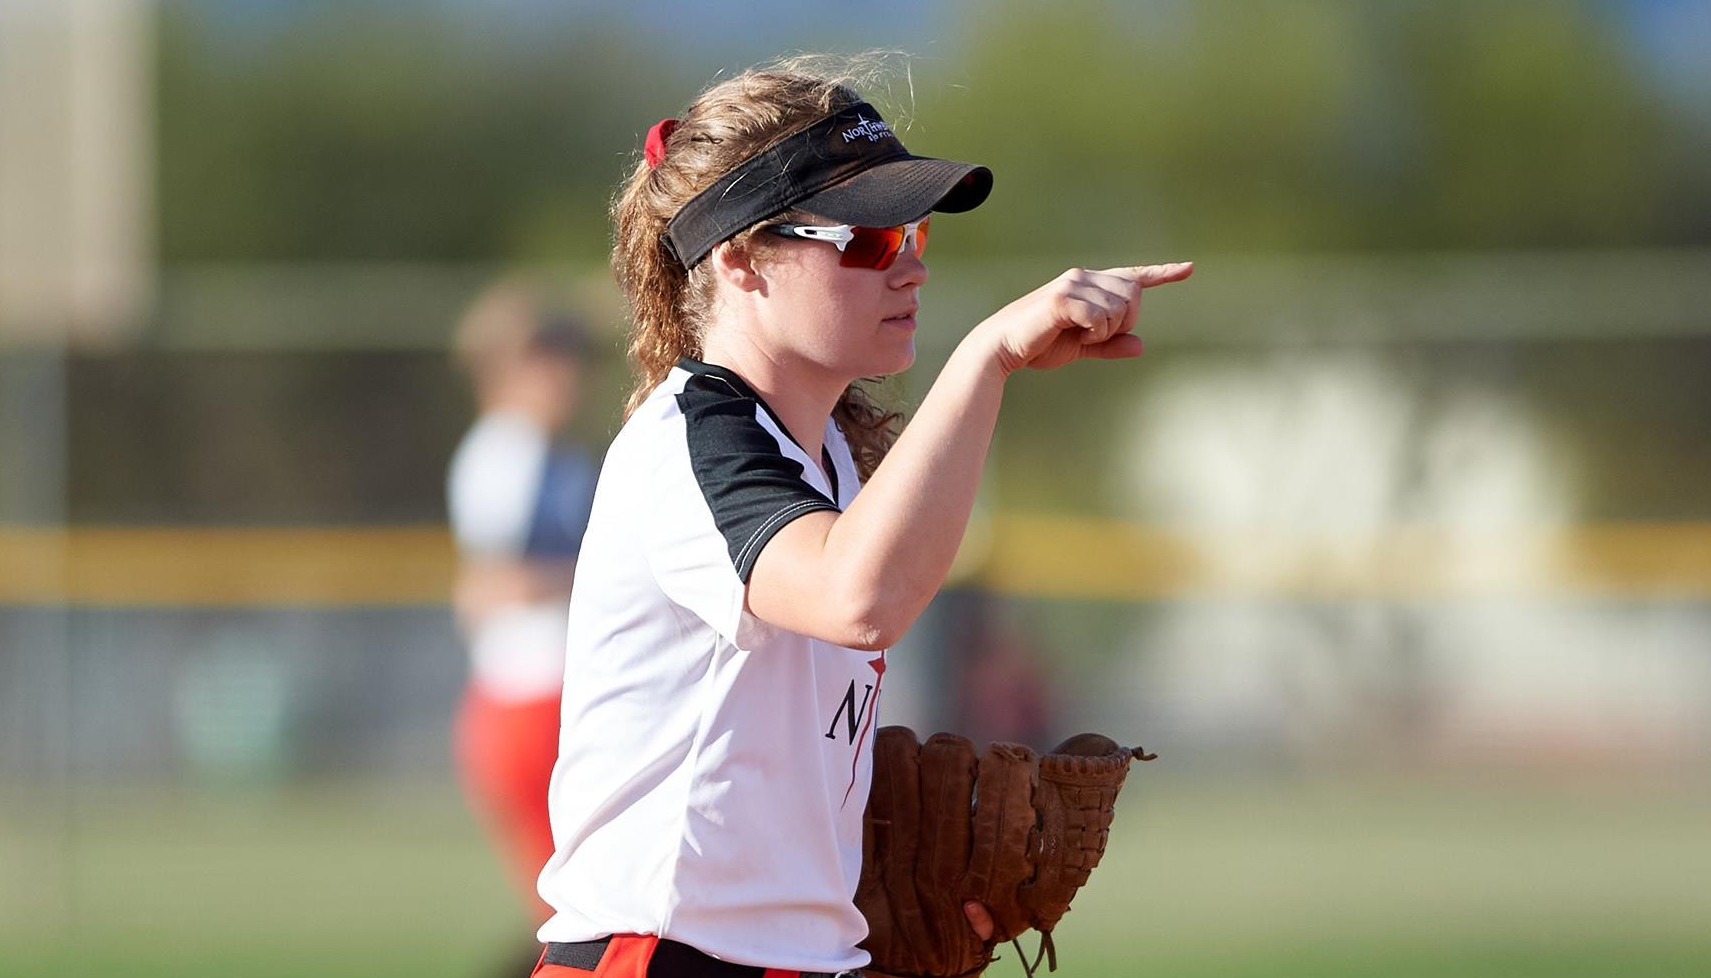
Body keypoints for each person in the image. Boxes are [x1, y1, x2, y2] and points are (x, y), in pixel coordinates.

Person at [534, 54, 1189, 978]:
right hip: (663, 960)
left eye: (915, 232)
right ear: (738, 256)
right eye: (867, 240)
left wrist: (853, 885)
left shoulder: (835, 456)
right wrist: (985, 358)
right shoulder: (691, 442)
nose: (910, 266)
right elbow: (857, 597)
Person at [446, 281, 597, 956]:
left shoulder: (549, 452)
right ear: (504, 370)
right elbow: (491, 586)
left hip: (546, 702)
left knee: (587, 912)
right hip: (533, 703)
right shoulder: (508, 451)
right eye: (548, 357)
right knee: (581, 918)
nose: (567, 374)